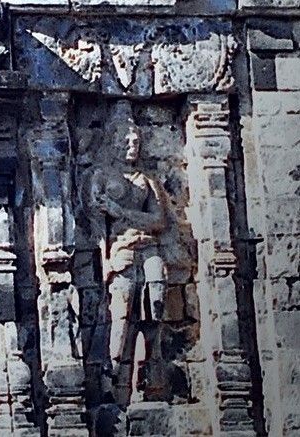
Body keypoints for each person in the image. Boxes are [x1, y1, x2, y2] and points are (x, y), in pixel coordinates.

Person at [85, 108, 169, 401]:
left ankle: (148, 381)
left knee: (155, 309)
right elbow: (97, 225)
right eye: (129, 141)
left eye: (137, 141)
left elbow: (159, 222)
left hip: (149, 247)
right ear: (115, 141)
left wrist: (122, 212)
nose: (135, 146)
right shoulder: (100, 176)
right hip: (120, 251)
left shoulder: (147, 180)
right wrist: (105, 260)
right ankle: (113, 381)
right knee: (120, 316)